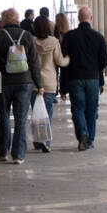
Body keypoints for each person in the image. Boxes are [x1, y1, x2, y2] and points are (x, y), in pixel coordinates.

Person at [0, 8, 41, 163]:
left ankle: (3, 151)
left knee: (3, 116)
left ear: (3, 20)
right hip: (24, 81)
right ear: (17, 20)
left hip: (3, 82)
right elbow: (34, 62)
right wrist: (39, 83)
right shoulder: (27, 35)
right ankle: (18, 154)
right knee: (21, 118)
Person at [65, 6, 107, 150]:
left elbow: (64, 59)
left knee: (77, 108)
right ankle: (89, 139)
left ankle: (82, 133)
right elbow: (105, 59)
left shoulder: (70, 36)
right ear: (90, 18)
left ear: (78, 18)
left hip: (75, 78)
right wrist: (98, 72)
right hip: (92, 78)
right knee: (91, 109)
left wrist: (63, 85)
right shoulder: (98, 37)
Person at [31, 16, 68, 152]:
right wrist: (68, 59)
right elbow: (59, 61)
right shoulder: (54, 42)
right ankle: (46, 141)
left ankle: (37, 140)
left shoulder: (31, 41)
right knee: (47, 113)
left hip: (34, 82)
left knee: (36, 113)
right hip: (49, 82)